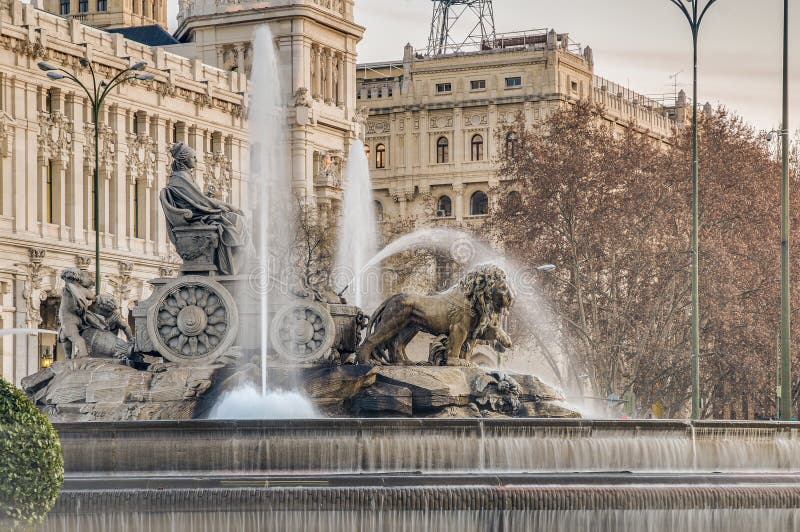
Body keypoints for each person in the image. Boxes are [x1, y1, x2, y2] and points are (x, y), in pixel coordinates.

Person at [163, 142, 252, 275]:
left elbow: (198, 200)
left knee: (238, 220)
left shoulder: (184, 177)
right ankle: (242, 262)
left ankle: (243, 262)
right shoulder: (180, 178)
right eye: (193, 157)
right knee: (236, 220)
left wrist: (212, 201)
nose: (196, 160)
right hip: (198, 218)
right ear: (184, 158)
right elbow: (202, 202)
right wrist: (228, 206)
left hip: (200, 215)